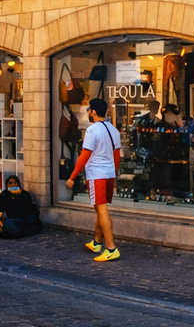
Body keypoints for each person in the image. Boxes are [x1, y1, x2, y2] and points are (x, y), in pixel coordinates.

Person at [66, 97, 122, 262]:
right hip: (109, 172)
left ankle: (111, 247)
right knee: (100, 208)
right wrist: (115, 171)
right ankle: (97, 242)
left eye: (89, 110)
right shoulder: (114, 130)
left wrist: (72, 176)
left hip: (97, 174)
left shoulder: (92, 130)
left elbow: (84, 156)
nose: (88, 112)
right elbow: (116, 156)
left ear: (94, 112)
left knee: (101, 209)